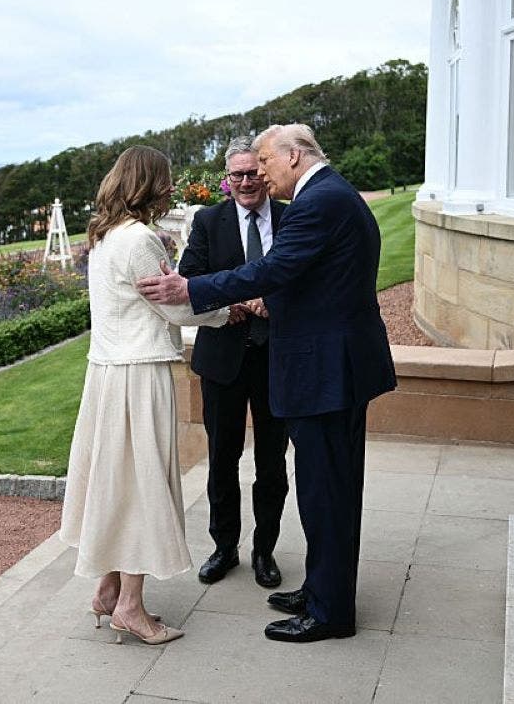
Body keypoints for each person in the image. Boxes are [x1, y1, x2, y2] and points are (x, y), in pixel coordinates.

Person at [136, 124, 396, 643]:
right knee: (327, 489)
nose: (261, 174)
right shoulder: (332, 194)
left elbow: (275, 268)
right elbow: (317, 282)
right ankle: (324, 588)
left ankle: (329, 613)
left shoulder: (317, 202)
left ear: (293, 156)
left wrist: (192, 287)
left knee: (327, 492)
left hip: (327, 373)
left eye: (266, 162)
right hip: (332, 367)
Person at [58, 145, 238, 646]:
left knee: (117, 478)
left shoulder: (104, 236)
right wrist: (230, 310)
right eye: (166, 180)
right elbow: (176, 309)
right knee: (142, 483)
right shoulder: (141, 241)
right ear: (149, 184)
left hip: (108, 373)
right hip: (139, 374)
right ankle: (131, 609)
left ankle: (109, 588)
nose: (170, 188)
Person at [178, 136, 289, 589]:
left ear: (264, 174)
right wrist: (237, 299)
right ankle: (225, 548)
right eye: (237, 174)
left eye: (252, 173)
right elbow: (190, 278)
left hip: (277, 360)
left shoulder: (289, 216)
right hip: (223, 357)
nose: (245, 181)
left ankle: (265, 551)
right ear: (227, 179)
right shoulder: (209, 221)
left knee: (272, 463)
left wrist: (274, 301)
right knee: (222, 460)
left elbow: (303, 275)